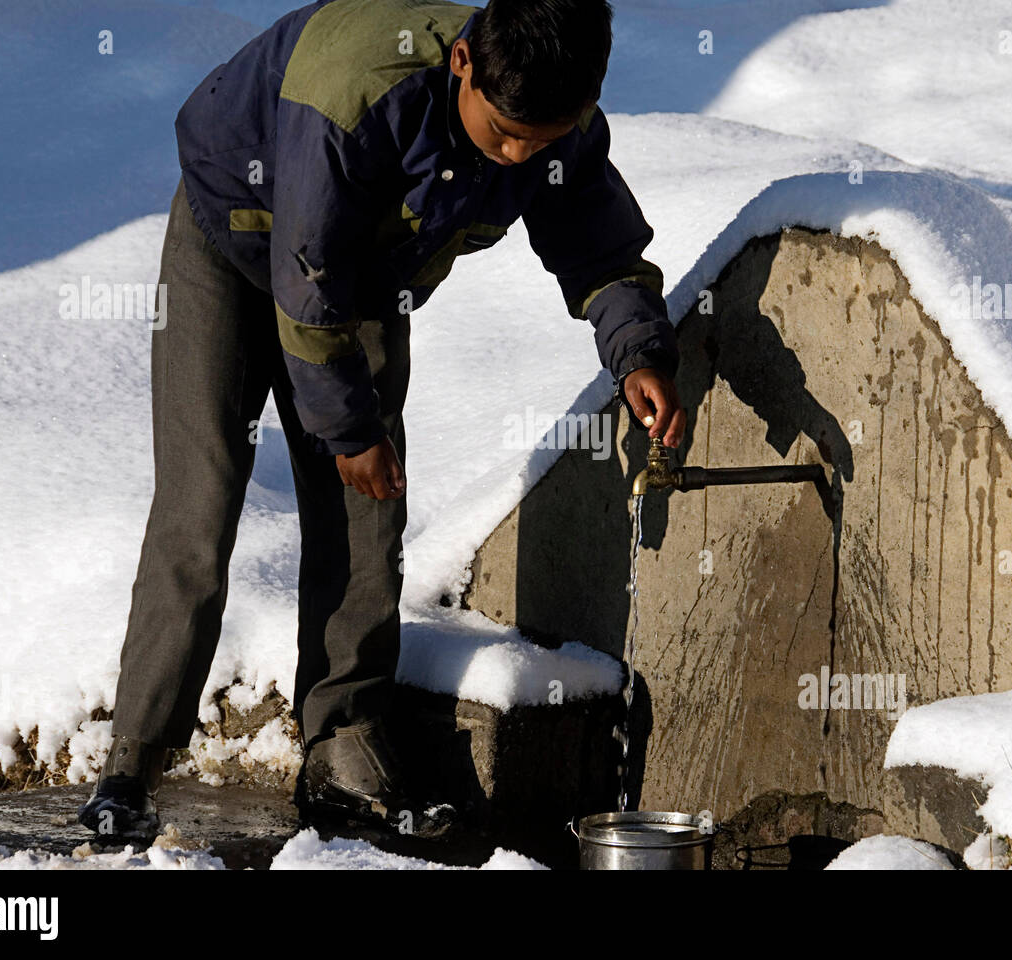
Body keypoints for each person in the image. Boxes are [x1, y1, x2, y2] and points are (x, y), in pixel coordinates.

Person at [78, 0, 684, 841]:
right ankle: (132, 764)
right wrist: (349, 431)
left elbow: (601, 246)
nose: (522, 154)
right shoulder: (356, 96)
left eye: (544, 139)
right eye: (507, 135)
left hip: (361, 271)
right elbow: (306, 285)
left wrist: (638, 350)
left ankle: (343, 749)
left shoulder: (557, 122)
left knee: (368, 511)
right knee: (204, 492)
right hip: (235, 231)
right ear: (464, 63)